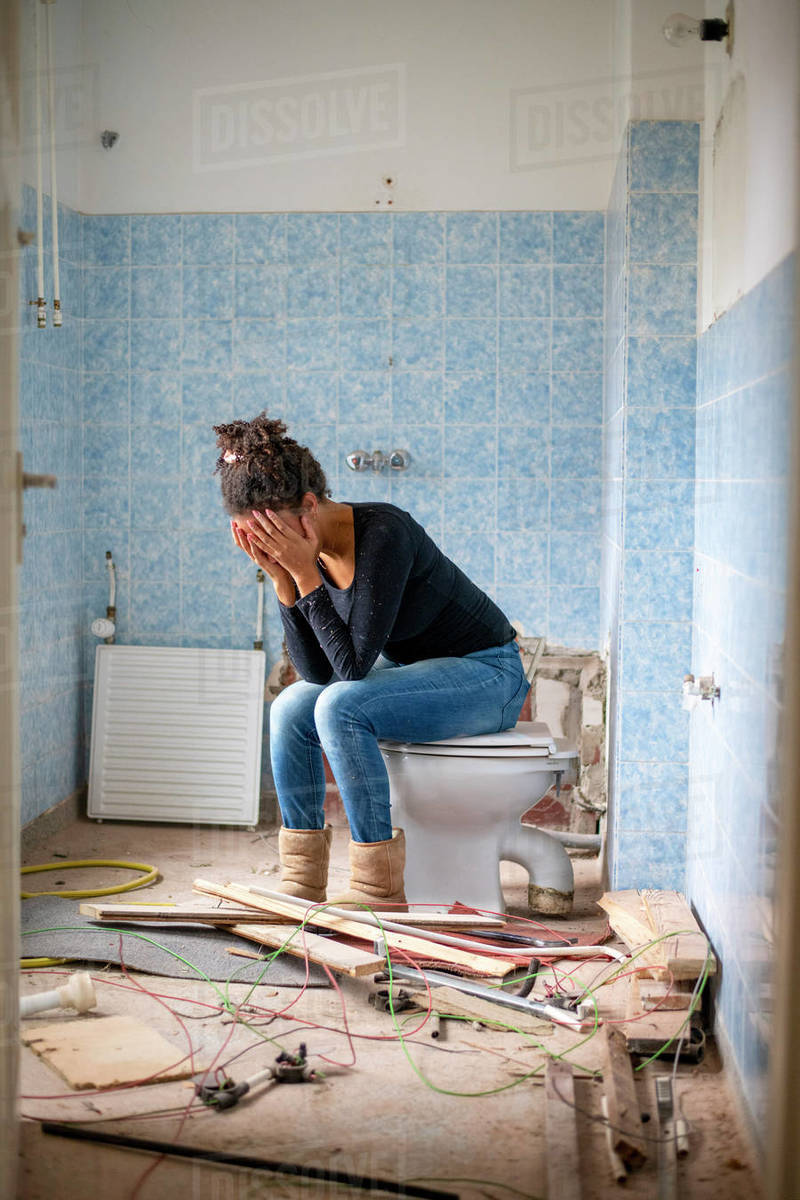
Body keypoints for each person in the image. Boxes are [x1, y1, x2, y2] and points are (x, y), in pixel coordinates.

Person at [215, 413, 530, 909]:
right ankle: (301, 880)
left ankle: (377, 888)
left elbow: (353, 671)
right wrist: (283, 580)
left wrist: (303, 572)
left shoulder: (385, 534)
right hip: (417, 675)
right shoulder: (305, 544)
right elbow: (320, 672)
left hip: (490, 673)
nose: (269, 544)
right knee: (292, 708)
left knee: (341, 707)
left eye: (274, 532)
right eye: (257, 536)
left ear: (309, 508)